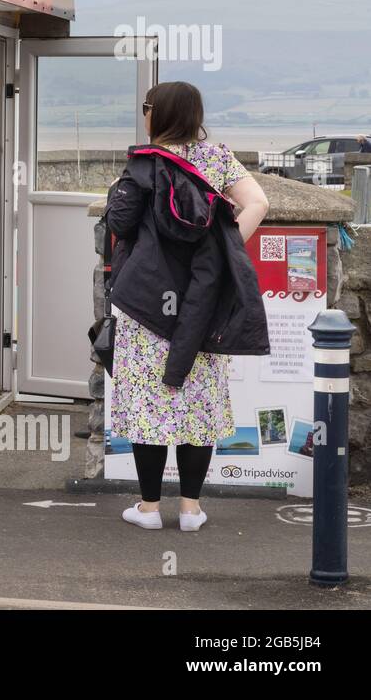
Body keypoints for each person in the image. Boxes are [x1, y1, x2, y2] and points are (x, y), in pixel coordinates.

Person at [106, 81, 270, 532]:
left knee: (149, 405)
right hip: (203, 302)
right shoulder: (217, 158)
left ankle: (148, 509)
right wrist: (225, 249)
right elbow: (258, 201)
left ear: (156, 114)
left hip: (146, 307)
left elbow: (120, 223)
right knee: (198, 404)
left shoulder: (144, 163)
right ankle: (192, 509)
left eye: (146, 108)